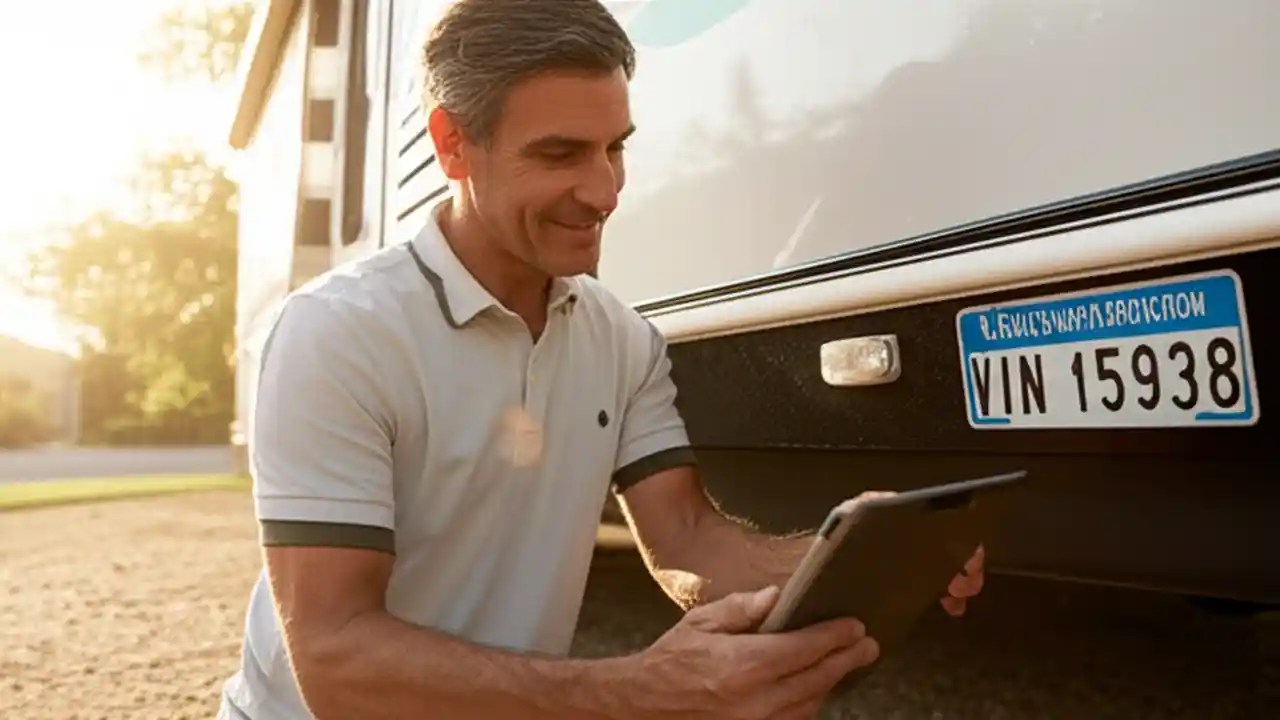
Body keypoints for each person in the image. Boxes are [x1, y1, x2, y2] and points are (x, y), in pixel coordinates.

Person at [218, 1, 985, 717]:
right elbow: (334, 659)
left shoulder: (620, 338)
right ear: (453, 143)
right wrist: (638, 691)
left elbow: (687, 539)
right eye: (560, 154)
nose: (605, 189)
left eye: (615, 148)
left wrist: (855, 554)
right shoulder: (335, 334)